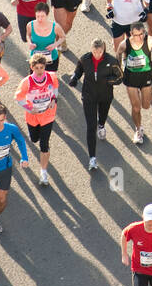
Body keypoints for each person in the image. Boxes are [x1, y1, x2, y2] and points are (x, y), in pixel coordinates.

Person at [67, 38, 123, 170]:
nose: (97, 54)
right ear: (91, 49)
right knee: (91, 127)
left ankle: (102, 124)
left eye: (100, 51)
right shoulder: (85, 59)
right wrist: (74, 78)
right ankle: (92, 158)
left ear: (104, 49)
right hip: (89, 96)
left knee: (102, 117)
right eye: (95, 51)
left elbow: (120, 77)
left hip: (105, 96)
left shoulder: (111, 61)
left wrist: (109, 81)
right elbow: (78, 70)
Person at [14, 55, 59, 187]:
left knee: (44, 144)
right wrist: (29, 108)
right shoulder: (27, 82)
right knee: (34, 139)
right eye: (37, 68)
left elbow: (55, 89)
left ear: (45, 67)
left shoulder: (51, 77)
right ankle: (36, 138)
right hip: (33, 116)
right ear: (32, 67)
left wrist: (53, 100)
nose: (39, 71)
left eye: (42, 67)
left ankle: (43, 173)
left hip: (48, 115)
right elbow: (18, 98)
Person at [0, 102, 30, 235]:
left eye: (1, 120)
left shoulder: (11, 129)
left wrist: (24, 157)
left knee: (2, 200)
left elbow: (21, 141)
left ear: (5, 118)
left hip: (5, 169)